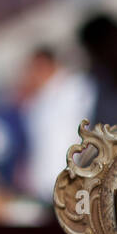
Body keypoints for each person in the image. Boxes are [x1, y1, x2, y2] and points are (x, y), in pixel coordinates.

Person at [15, 47, 95, 204]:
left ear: (44, 64)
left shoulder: (76, 87)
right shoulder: (34, 102)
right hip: (43, 189)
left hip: (74, 183)